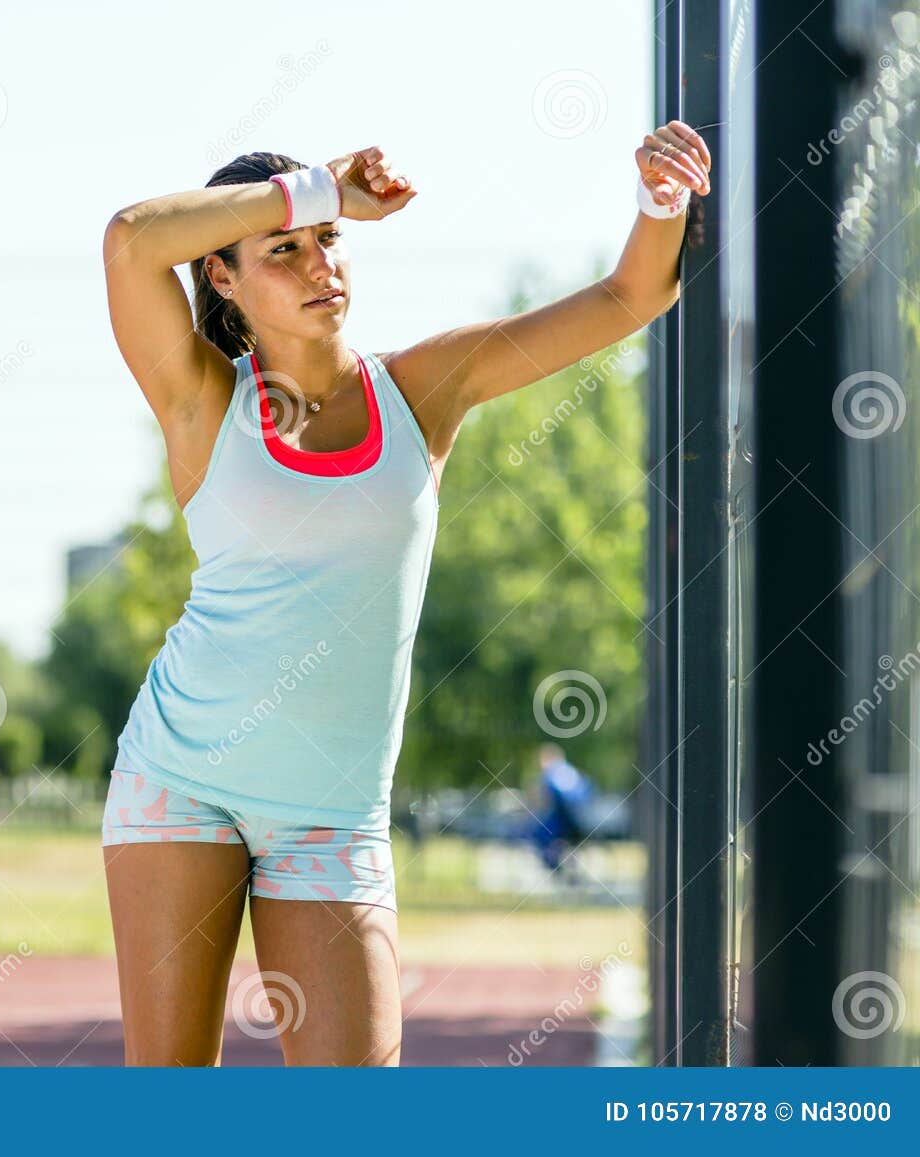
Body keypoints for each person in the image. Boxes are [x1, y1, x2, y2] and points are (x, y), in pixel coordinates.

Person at [99, 124, 711, 1066]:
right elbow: (131, 241)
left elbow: (628, 295)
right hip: (182, 781)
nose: (320, 264)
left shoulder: (420, 391)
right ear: (221, 276)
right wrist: (320, 189)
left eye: (329, 239)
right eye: (284, 249)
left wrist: (660, 200)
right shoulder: (202, 399)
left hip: (333, 816)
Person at [526, 742, 597, 872]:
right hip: (583, 821)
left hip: (564, 821)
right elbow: (589, 791)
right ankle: (561, 863)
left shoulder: (551, 774)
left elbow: (544, 800)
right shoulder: (573, 772)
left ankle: (552, 865)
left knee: (536, 832)